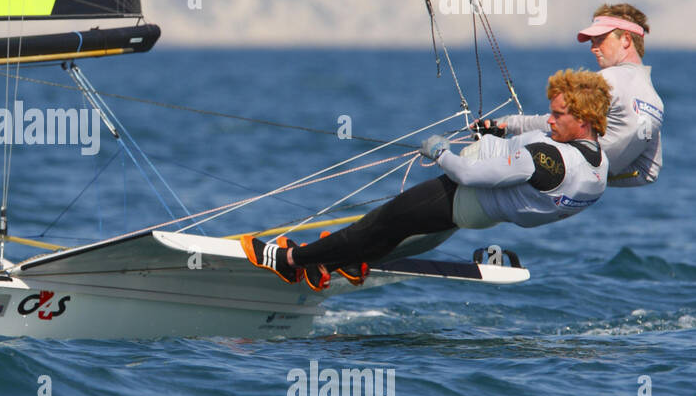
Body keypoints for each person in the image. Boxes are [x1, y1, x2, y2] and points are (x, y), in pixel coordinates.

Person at [244, 69, 612, 290]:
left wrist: (438, 151)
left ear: (583, 120)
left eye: (558, 114)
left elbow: (469, 173)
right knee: (394, 234)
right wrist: (502, 128)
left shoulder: (547, 159)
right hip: (485, 212)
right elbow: (535, 130)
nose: (549, 120)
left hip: (463, 195)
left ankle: (289, 259)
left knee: (379, 225)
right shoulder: (599, 165)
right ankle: (347, 263)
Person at [480, 3, 662, 187]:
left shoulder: (608, 79)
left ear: (625, 40)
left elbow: (558, 121)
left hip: (553, 173)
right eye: (592, 42)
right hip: (583, 190)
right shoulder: (655, 101)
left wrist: (507, 124)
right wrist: (596, 175)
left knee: (481, 154)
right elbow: (649, 172)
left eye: (600, 39)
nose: (593, 48)